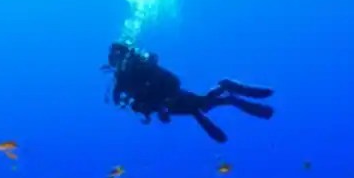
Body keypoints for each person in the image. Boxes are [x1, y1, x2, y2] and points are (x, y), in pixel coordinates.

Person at [105, 42, 274, 143]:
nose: (117, 64)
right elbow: (126, 103)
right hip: (166, 105)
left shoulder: (141, 65)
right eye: (114, 61)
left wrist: (162, 103)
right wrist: (146, 110)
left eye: (117, 58)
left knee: (200, 106)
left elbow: (168, 80)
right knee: (202, 106)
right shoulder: (120, 82)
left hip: (173, 96)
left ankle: (227, 88)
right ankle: (227, 92)